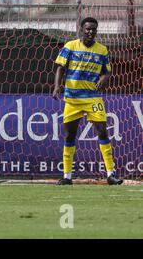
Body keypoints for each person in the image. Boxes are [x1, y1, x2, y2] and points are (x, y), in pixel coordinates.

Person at [53, 17, 123, 185]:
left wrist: (104, 78)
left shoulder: (102, 50)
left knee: (103, 131)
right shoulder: (70, 46)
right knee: (70, 134)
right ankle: (67, 176)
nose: (90, 32)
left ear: (96, 31)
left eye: (93, 29)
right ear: (81, 29)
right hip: (72, 99)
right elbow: (60, 68)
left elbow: (107, 71)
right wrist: (57, 87)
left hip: (93, 98)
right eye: (88, 29)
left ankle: (110, 174)